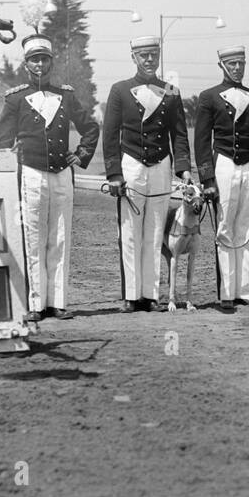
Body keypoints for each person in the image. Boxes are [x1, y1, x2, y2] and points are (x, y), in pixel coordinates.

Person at [0, 33, 100, 322]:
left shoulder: (66, 96)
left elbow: (90, 127)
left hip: (62, 176)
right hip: (30, 174)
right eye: (34, 60)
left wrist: (80, 155)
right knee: (34, 238)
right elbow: (1, 141)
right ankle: (35, 305)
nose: (40, 65)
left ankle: (58, 303)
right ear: (26, 64)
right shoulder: (15, 99)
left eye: (44, 59)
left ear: (51, 62)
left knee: (60, 238)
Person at [102, 35, 192, 312]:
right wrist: (114, 174)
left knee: (154, 234)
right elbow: (110, 135)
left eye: (154, 54)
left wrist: (184, 168)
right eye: (144, 55)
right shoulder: (119, 90)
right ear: (134, 58)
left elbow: (179, 135)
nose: (149, 60)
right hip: (131, 167)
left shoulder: (172, 92)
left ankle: (150, 295)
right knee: (130, 233)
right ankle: (131, 296)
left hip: (161, 167)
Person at [193, 45, 249, 311]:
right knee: (225, 227)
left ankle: (248, 292)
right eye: (231, 64)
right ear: (221, 65)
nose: (237, 68)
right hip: (224, 166)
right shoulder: (209, 97)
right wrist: (207, 179)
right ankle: (227, 292)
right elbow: (201, 142)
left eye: (241, 63)